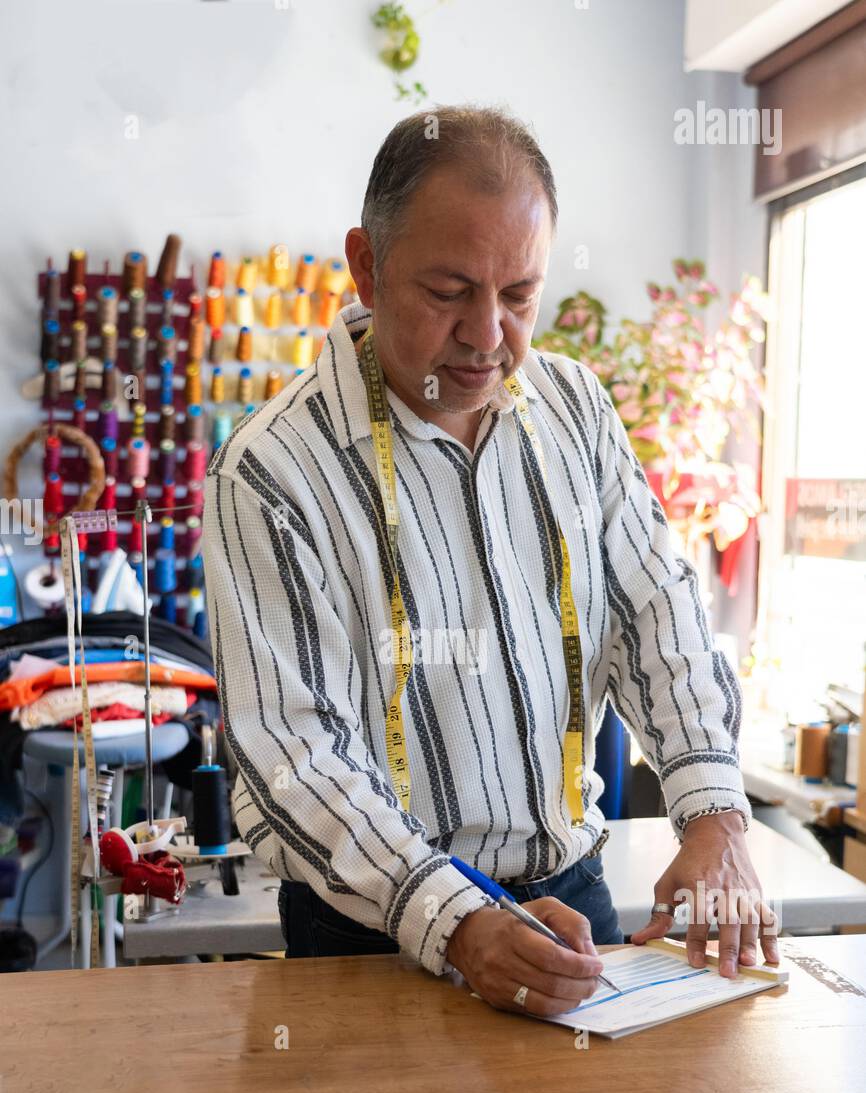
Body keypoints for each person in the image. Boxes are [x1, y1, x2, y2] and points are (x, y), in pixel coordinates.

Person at [203, 104, 778, 1019]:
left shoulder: (574, 408)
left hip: (572, 901)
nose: (486, 336)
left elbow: (655, 611)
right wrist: (458, 916)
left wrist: (713, 815)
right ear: (366, 264)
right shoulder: (273, 472)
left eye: (518, 296)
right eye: (448, 291)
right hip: (371, 935)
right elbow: (294, 758)